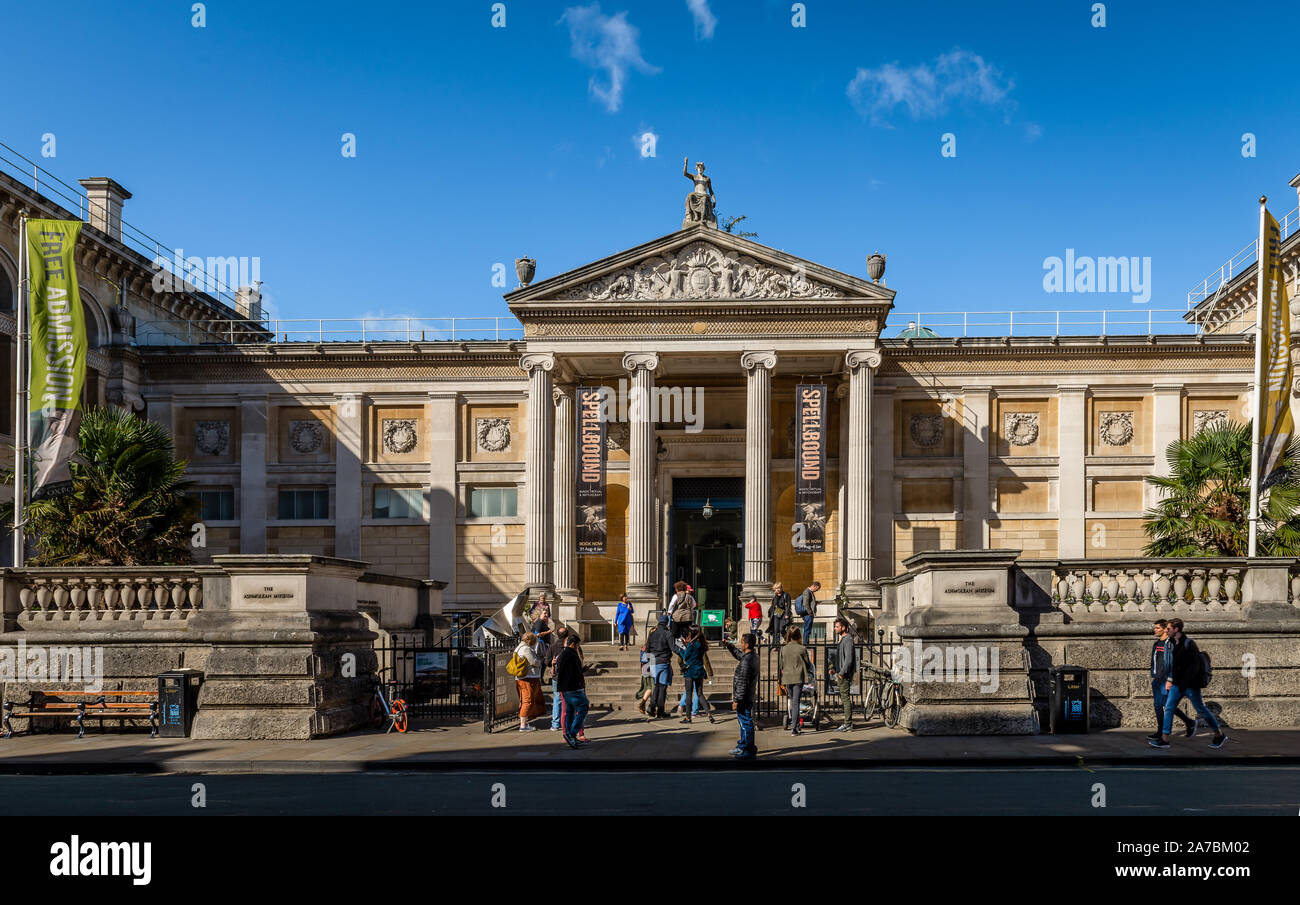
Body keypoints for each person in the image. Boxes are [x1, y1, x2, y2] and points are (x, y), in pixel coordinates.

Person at [1151, 618, 1227, 749]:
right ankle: (1164, 739)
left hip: (1190, 686)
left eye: (1169, 629)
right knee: (1169, 708)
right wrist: (1170, 680)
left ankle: (1219, 734)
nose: (1166, 631)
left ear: (1176, 629)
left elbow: (1194, 667)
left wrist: (1185, 683)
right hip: (1177, 684)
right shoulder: (1174, 643)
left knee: (1201, 709)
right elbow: (1175, 665)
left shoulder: (1189, 643)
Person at [1148, 619, 1194, 741]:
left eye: (1158, 628)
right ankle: (1161, 731)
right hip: (1157, 679)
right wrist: (1153, 674)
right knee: (1158, 705)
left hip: (1166, 680)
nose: (1155, 630)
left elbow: (1175, 662)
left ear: (1164, 629)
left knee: (1167, 704)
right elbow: (1154, 661)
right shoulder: (1156, 643)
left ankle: (1169, 731)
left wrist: (1170, 678)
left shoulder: (1171, 643)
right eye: (1155, 628)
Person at [723, 632, 759, 759]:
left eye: (742, 642)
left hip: (744, 697)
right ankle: (743, 746)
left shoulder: (746, 662)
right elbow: (740, 655)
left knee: (745, 723)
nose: (740, 643)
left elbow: (742, 682)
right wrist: (729, 646)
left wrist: (736, 700)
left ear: (747, 644)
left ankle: (748, 750)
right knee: (744, 722)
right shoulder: (752, 656)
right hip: (748, 696)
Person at [554, 634, 589, 749]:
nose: (578, 647)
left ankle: (568, 735)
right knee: (583, 707)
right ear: (573, 644)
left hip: (564, 688)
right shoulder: (571, 654)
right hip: (572, 688)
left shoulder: (562, 654)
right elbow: (574, 672)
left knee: (569, 712)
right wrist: (581, 671)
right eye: (577, 645)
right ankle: (572, 733)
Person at [779, 626, 814, 735]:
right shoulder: (802, 649)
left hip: (787, 678)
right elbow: (808, 664)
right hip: (798, 677)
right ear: (799, 635)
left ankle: (797, 725)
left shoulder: (783, 649)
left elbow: (781, 665)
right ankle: (794, 727)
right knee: (796, 703)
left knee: (792, 701)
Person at [646, 614, 676, 719]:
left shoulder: (652, 634)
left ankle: (651, 707)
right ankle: (660, 711)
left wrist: (650, 661)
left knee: (657, 686)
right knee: (662, 687)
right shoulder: (668, 633)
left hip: (653, 662)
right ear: (667, 623)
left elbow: (647, 649)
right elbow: (673, 648)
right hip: (663, 661)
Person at [831, 617, 858, 731]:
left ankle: (848, 724)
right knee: (844, 698)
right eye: (835, 626)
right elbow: (841, 657)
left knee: (845, 699)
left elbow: (849, 659)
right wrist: (834, 669)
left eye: (837, 626)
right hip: (840, 672)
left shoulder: (848, 640)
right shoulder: (843, 639)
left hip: (844, 674)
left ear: (843, 627)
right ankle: (847, 723)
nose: (835, 628)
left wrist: (841, 673)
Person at [514, 631, 544, 731]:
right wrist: (539, 662)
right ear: (530, 640)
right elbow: (533, 662)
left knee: (525, 700)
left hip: (523, 677)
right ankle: (523, 725)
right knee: (527, 701)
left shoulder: (518, 647)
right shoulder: (526, 649)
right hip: (527, 677)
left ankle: (525, 722)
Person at [636, 642, 655, 714]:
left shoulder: (644, 646)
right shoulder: (652, 645)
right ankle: (644, 705)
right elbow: (652, 658)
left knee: (650, 688)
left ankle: (643, 705)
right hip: (650, 668)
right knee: (652, 688)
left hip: (645, 667)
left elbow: (642, 660)